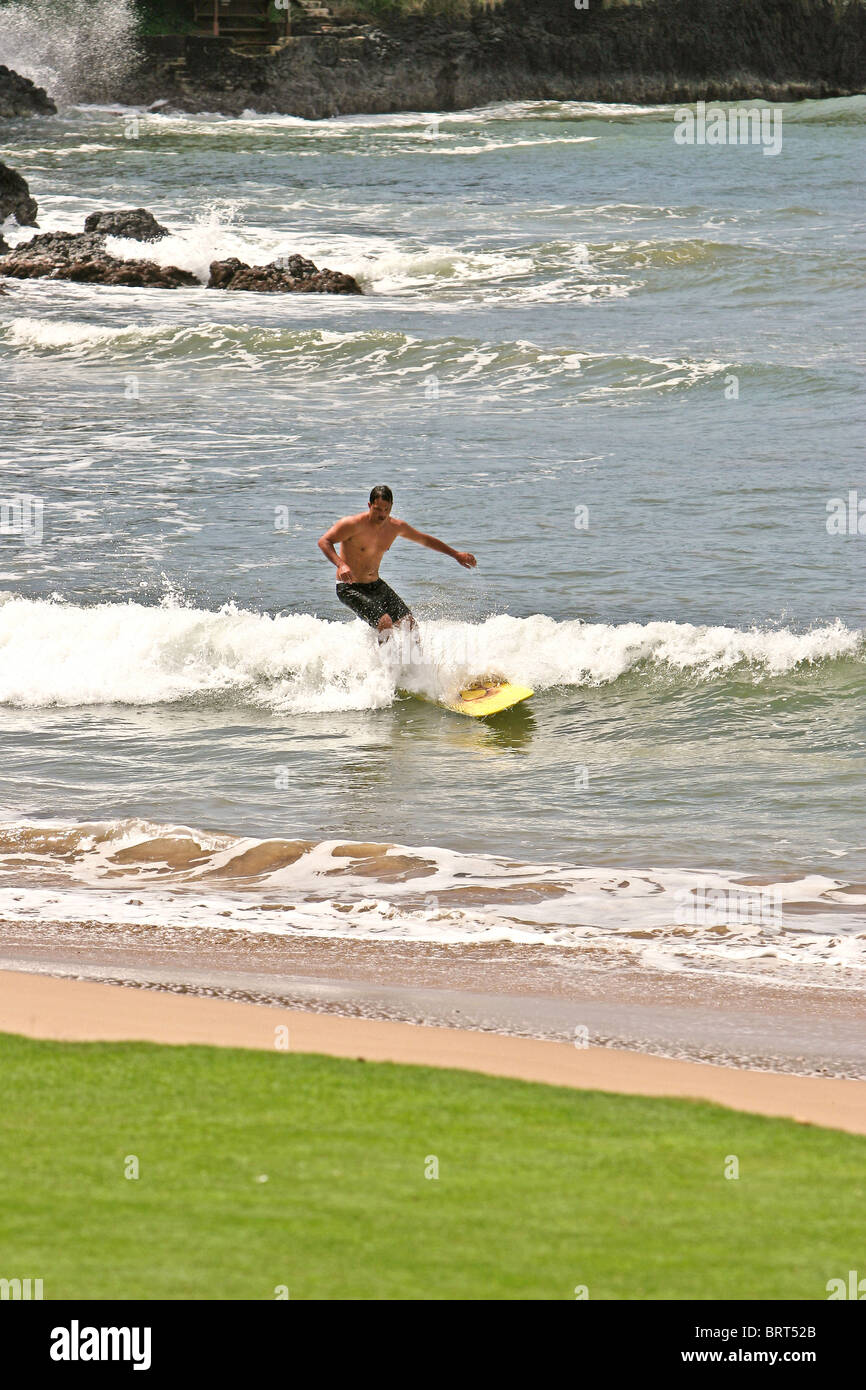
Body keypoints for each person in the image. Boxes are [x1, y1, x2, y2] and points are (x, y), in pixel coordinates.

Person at [318, 485, 476, 642]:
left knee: (410, 625)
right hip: (349, 587)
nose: (382, 514)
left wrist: (455, 554)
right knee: (385, 623)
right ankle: (385, 659)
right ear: (369, 505)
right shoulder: (352, 524)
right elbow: (324, 541)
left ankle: (413, 658)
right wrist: (341, 564)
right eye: (377, 509)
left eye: (386, 509)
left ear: (391, 506)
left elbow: (425, 540)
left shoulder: (395, 527)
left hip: (375, 584)